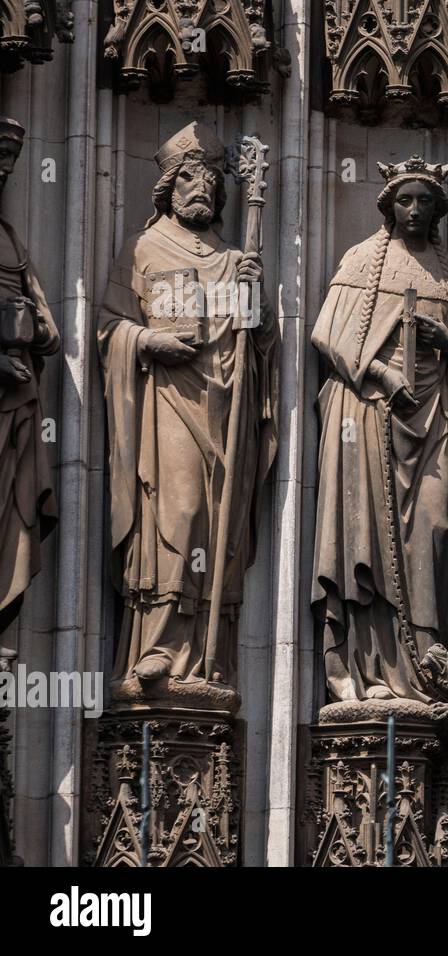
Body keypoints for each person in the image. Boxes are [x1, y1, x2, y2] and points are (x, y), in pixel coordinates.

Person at [98, 121, 278, 695]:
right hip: (168, 403)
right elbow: (109, 329)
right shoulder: (144, 249)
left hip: (225, 407)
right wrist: (147, 341)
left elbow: (261, 344)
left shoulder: (232, 257)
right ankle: (157, 647)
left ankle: (208, 655)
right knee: (175, 515)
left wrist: (259, 300)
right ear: (169, 189)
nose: (200, 188)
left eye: (208, 180)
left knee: (214, 526)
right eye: (189, 180)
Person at [311, 157, 448, 707]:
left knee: (431, 534)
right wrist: (382, 374)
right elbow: (325, 334)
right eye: (405, 200)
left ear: (438, 209)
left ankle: (424, 669)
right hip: (367, 418)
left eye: (425, 201)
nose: (415, 210)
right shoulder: (363, 259)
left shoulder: (447, 272)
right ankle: (365, 672)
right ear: (389, 205)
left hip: (433, 419)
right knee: (364, 540)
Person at [0, 116, 58, 635]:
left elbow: (51, 334)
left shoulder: (11, 242)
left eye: (7, 169)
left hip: (14, 404)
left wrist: (26, 327)